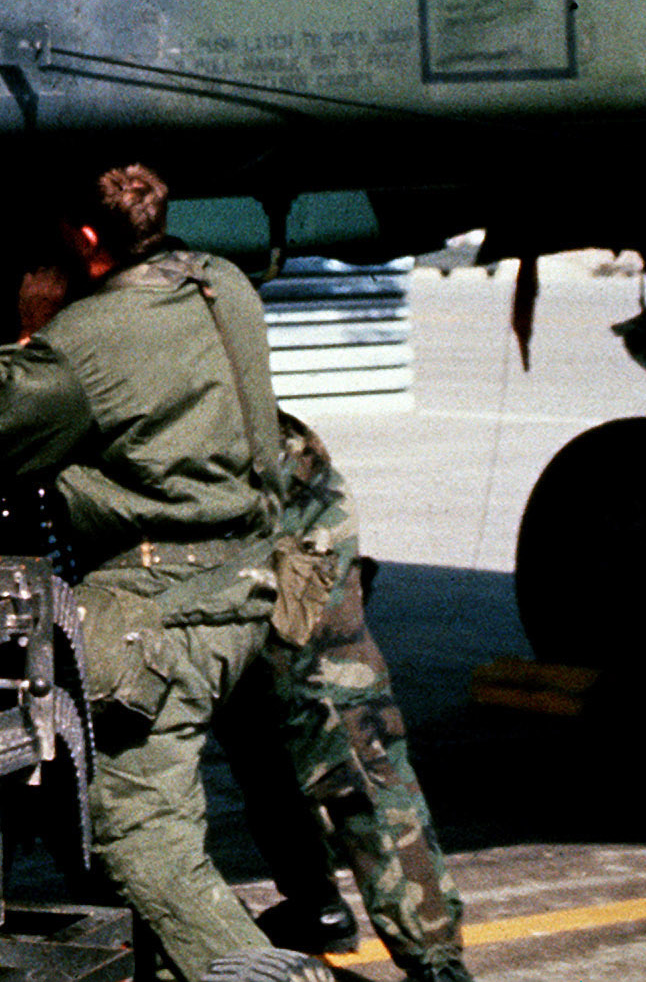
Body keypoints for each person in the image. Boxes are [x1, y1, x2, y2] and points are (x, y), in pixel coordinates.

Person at [0, 164, 314, 982]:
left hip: (164, 611)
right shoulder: (224, 284)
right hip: (253, 588)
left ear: (84, 239)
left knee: (139, 835)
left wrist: (30, 327)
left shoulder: (84, 343)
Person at [222, 414, 473, 982]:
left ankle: (435, 959)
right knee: (251, 715)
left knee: (344, 729)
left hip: (271, 494)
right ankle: (315, 903)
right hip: (208, 493)